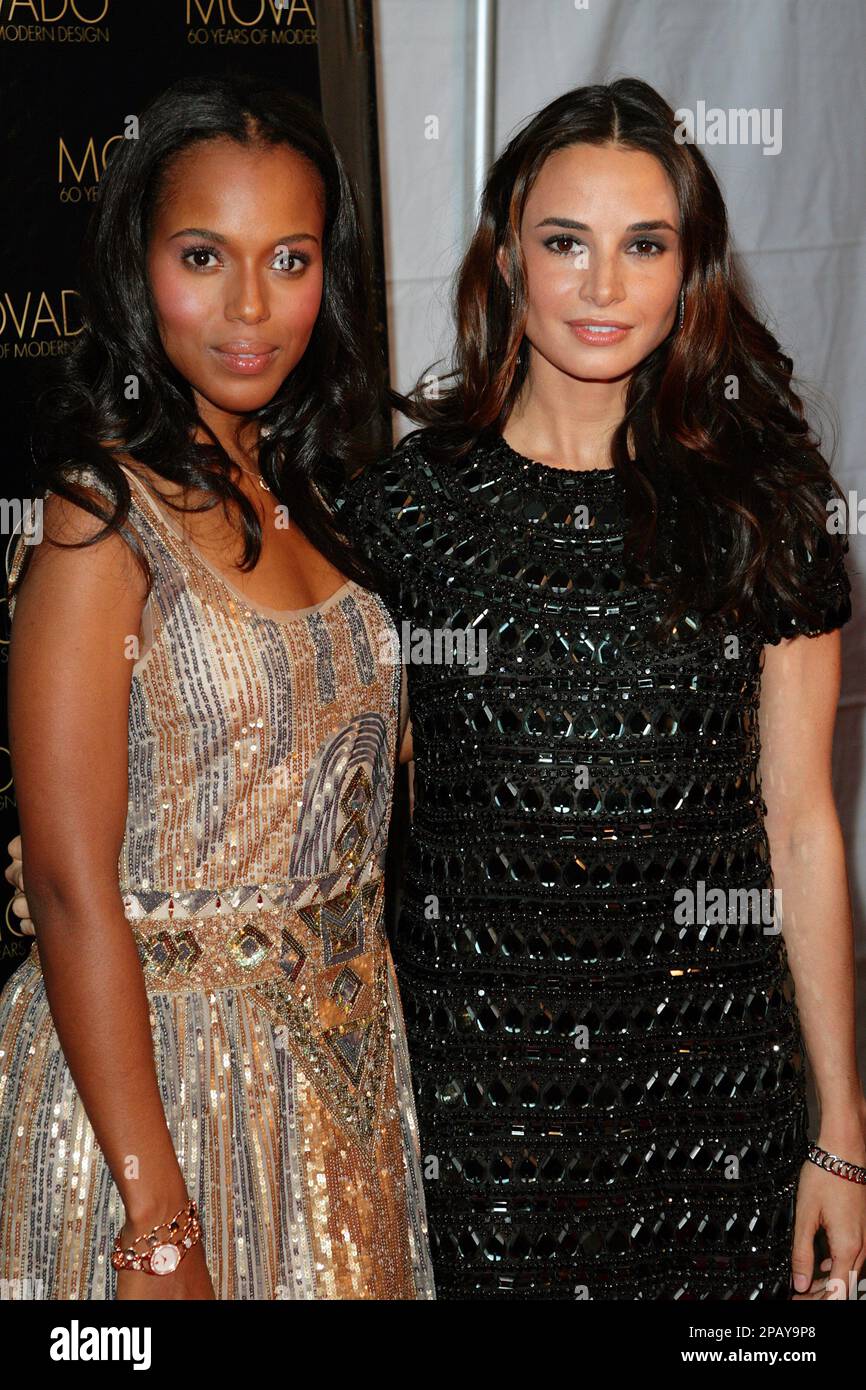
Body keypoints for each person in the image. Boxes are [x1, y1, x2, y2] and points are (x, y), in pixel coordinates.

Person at [325, 78, 866, 1299]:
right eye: (565, 243)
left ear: (690, 271)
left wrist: (841, 1129)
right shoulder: (401, 515)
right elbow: (353, 824)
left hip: (717, 1098)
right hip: (480, 1115)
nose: (602, 286)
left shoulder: (759, 504)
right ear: (508, 254)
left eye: (643, 246)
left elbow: (798, 824)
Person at [0, 73, 434, 1300]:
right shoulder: (101, 521)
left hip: (341, 1093)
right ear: (139, 269)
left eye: (288, 259)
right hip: (160, 1095)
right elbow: (70, 888)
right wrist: (156, 1217)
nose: (250, 307)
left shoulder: (315, 498)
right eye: (205, 255)